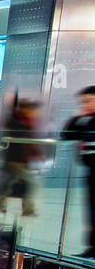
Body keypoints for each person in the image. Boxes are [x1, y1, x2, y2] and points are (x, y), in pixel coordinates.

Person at [60, 85, 95, 258]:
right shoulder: (86, 120)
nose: (86, 105)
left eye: (89, 101)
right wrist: (79, 115)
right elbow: (66, 134)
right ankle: (92, 246)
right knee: (92, 210)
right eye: (83, 102)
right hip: (91, 171)